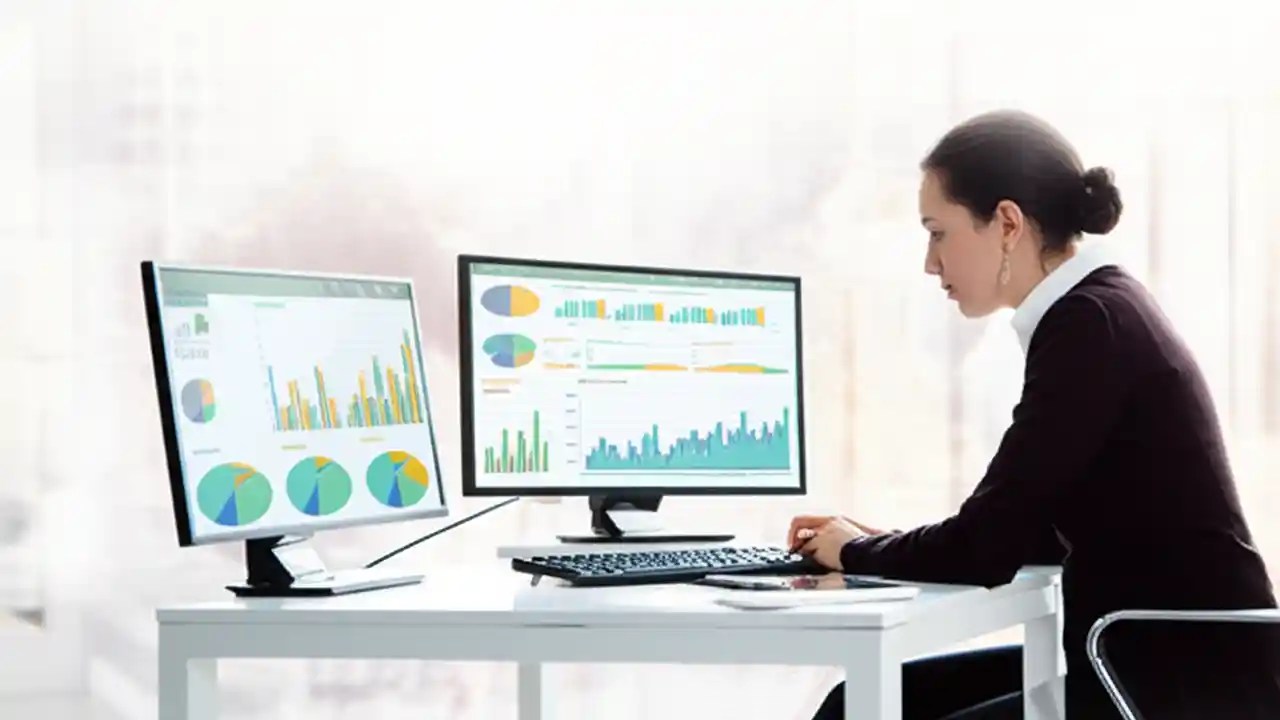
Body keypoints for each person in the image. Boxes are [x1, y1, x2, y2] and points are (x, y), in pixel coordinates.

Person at [789, 110, 1280, 719]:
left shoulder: (1087, 325)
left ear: (1007, 223)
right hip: (1159, 660)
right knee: (856, 703)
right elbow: (1024, 526)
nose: (929, 262)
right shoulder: (1102, 306)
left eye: (938, 232)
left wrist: (859, 554)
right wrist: (884, 544)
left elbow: (987, 545)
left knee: (859, 709)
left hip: (1170, 684)